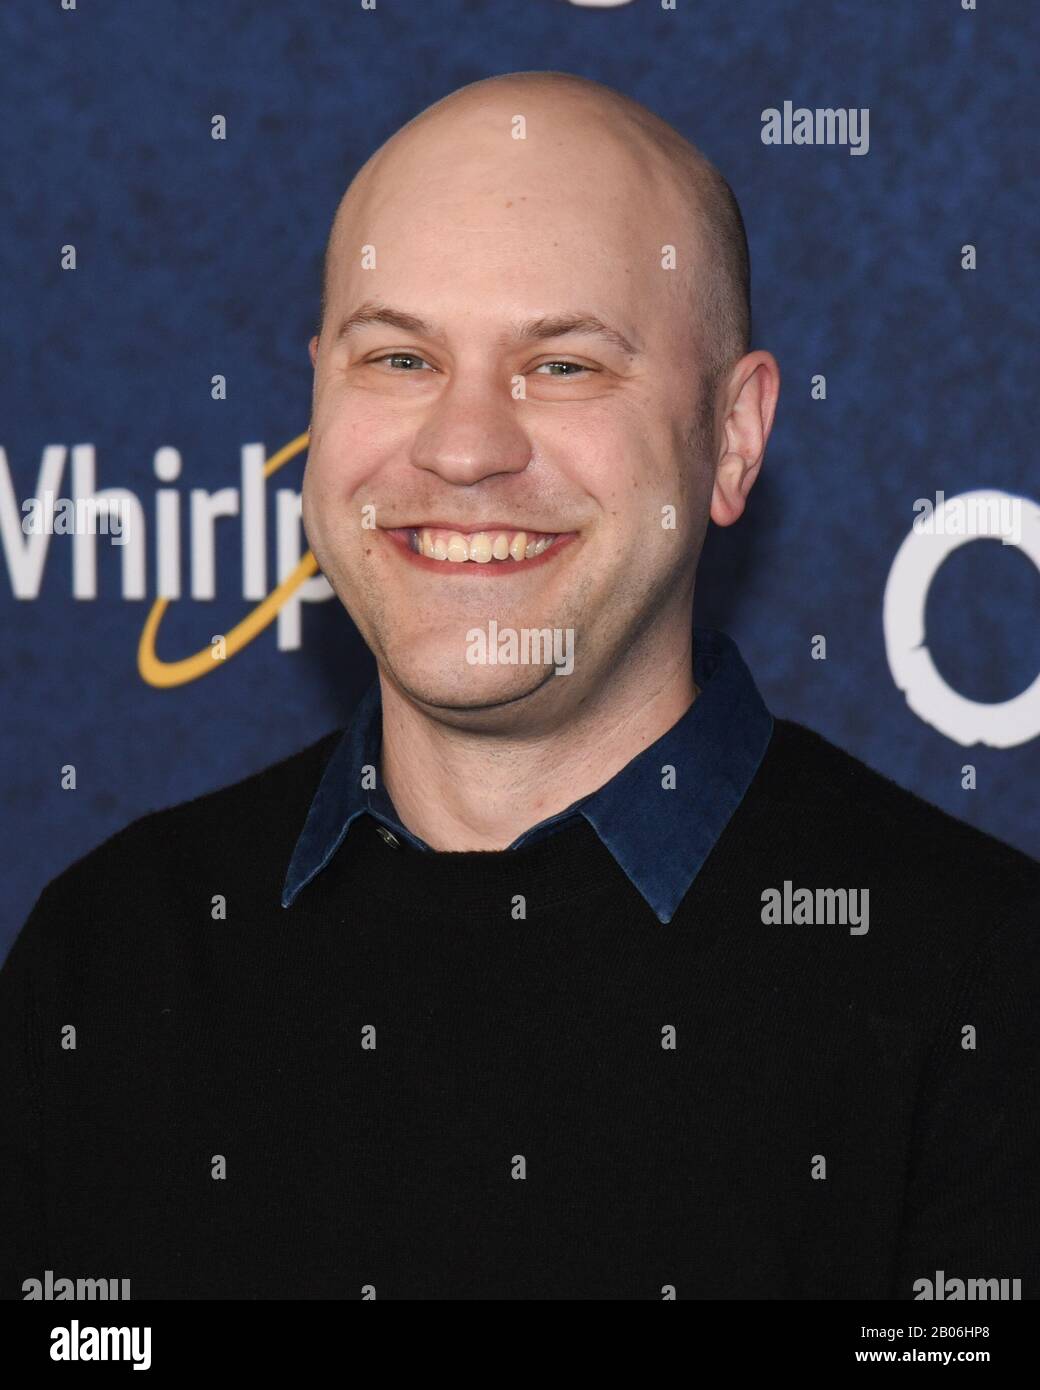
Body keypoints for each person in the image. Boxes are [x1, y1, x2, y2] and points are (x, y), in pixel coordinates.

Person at [2, 70, 1037, 1302]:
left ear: (732, 437)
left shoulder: (984, 990)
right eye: (397, 356)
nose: (462, 444)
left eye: (561, 367)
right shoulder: (112, 959)